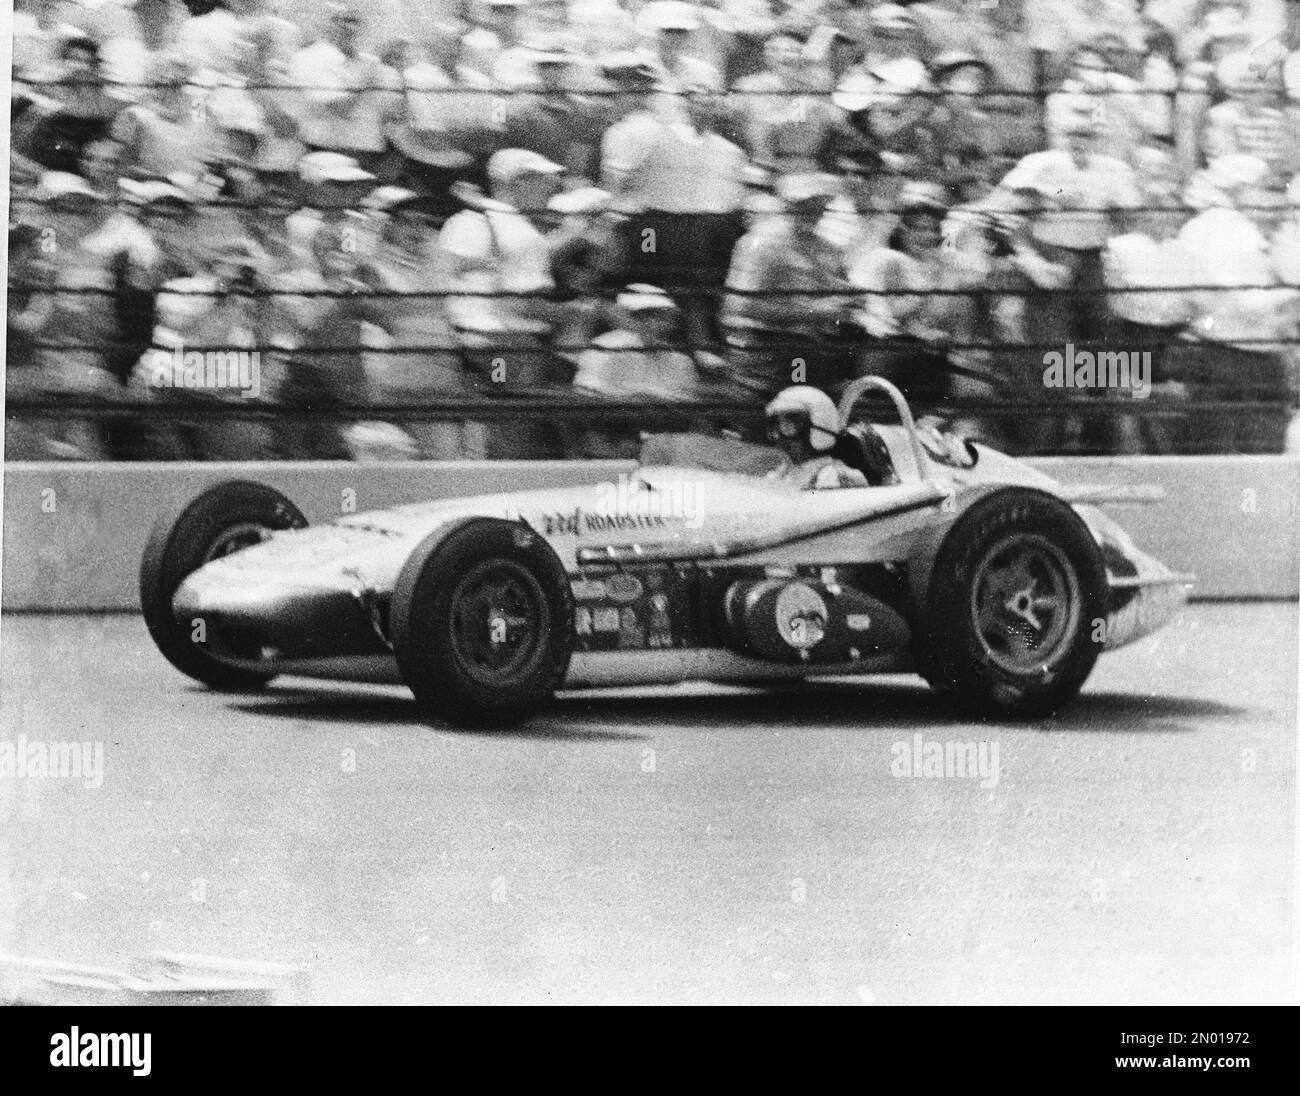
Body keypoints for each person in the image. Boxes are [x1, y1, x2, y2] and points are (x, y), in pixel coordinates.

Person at [763, 385, 869, 489]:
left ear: (818, 427)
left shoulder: (833, 475)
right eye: (776, 426)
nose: (778, 436)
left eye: (788, 427)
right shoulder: (784, 472)